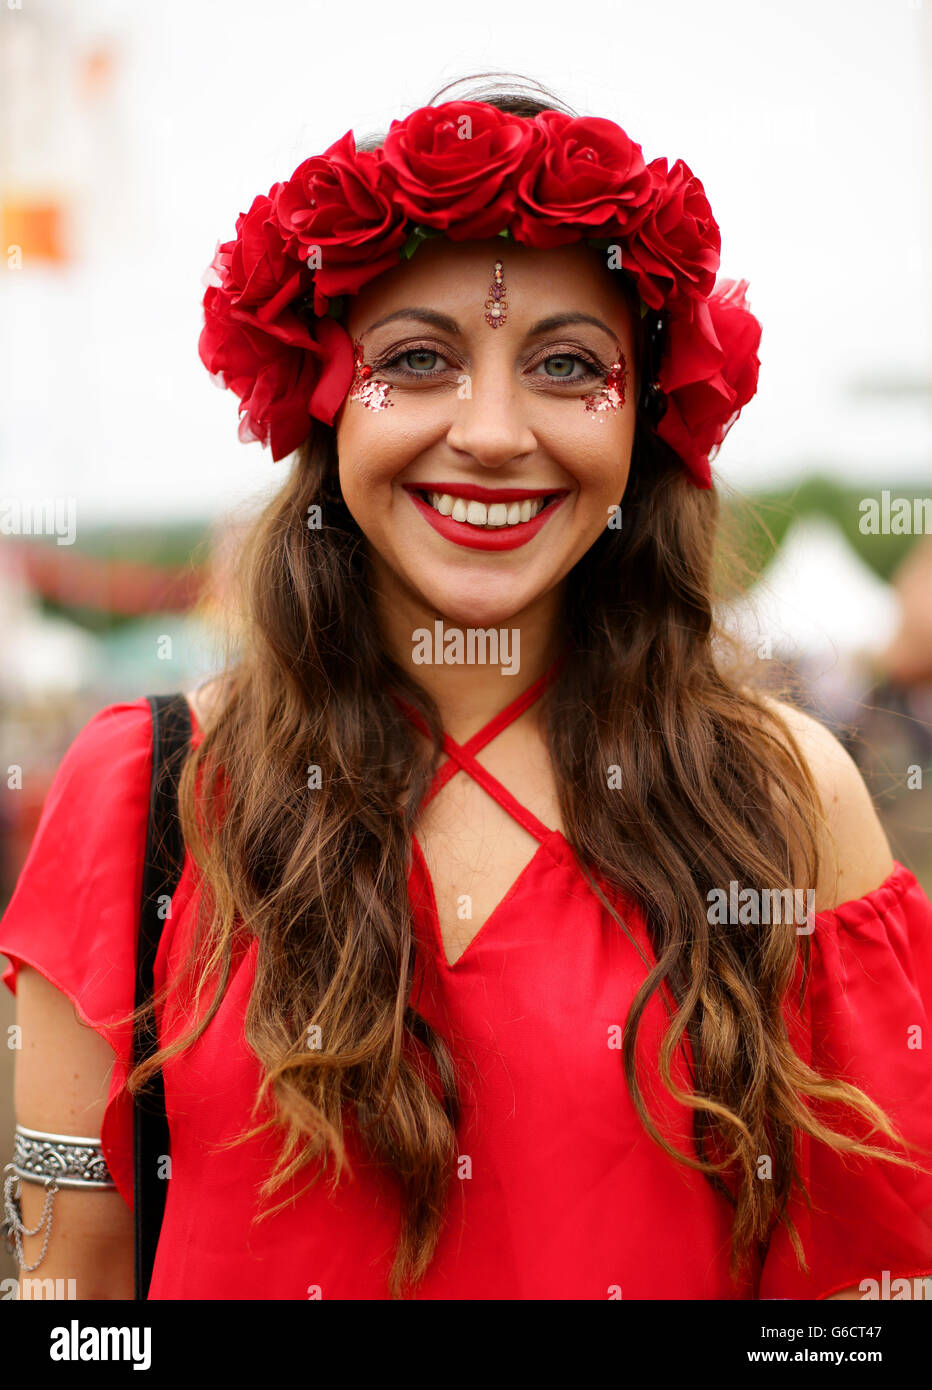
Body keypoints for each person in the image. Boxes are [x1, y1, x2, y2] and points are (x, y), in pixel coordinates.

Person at [3, 75, 931, 1302]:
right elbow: (67, 1306)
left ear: (645, 420)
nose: (490, 431)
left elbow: (858, 1306)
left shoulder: (781, 794)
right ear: (323, 405)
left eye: (563, 363)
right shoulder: (143, 790)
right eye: (418, 360)